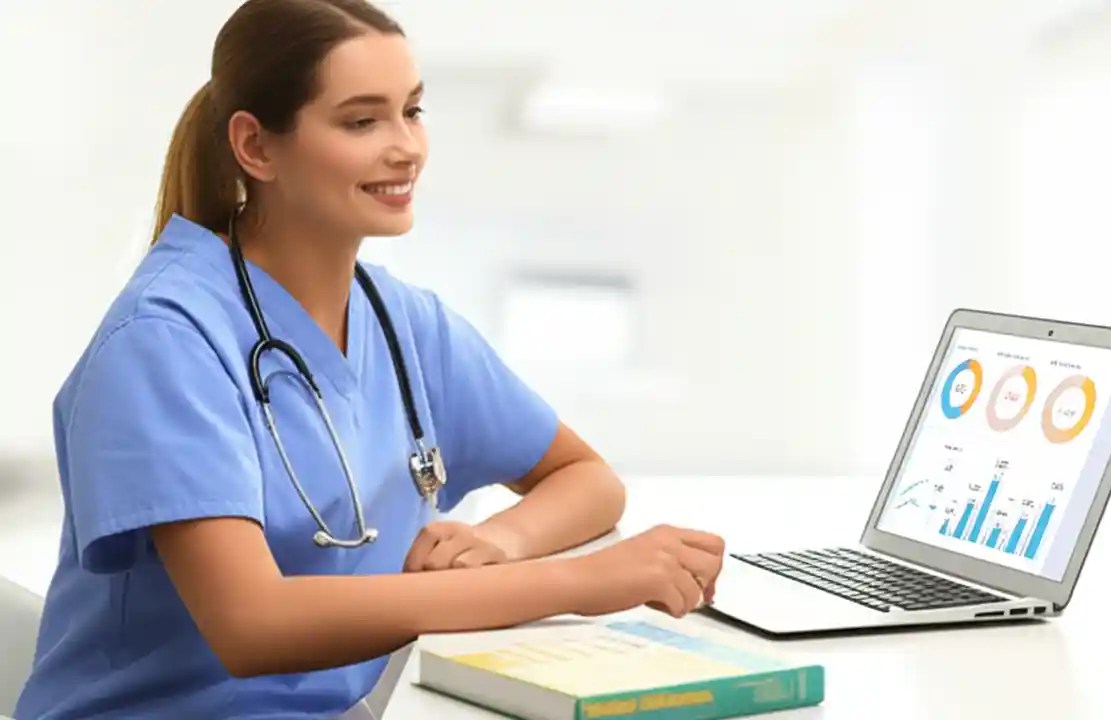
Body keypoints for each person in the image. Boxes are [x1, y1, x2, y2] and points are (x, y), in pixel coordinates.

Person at [13, 1, 725, 717]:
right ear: (256, 147)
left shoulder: (403, 322)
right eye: (362, 121)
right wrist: (584, 581)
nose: (406, 147)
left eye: (411, 111)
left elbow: (587, 479)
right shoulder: (164, 339)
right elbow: (252, 624)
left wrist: (501, 541)